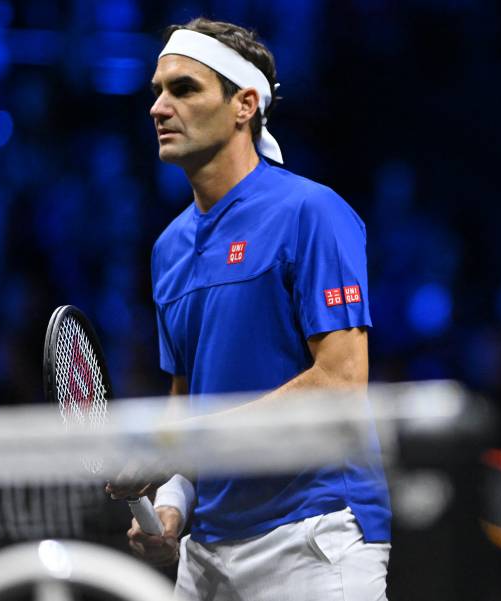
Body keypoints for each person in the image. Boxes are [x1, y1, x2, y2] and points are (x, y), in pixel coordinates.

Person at [106, 18, 391, 601]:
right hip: (206, 551)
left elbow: (340, 383)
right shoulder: (168, 249)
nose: (158, 108)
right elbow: (189, 401)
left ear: (244, 105)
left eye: (184, 89)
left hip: (314, 536)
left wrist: (168, 449)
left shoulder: (313, 212)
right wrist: (171, 505)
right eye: (157, 91)